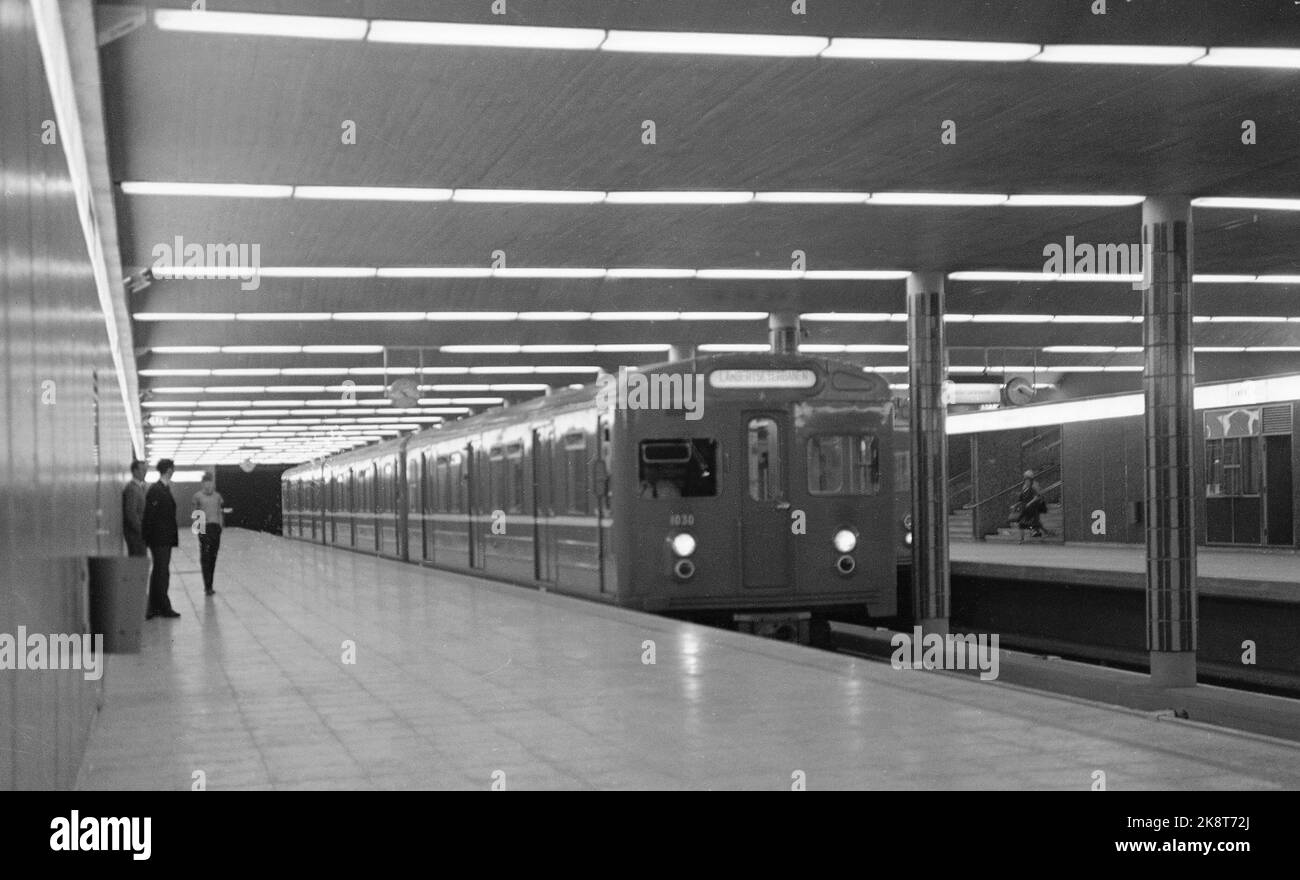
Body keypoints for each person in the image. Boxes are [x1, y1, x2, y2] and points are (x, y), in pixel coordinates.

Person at [141, 459, 180, 619]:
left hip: (163, 538)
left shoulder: (163, 488)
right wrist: (147, 538)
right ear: (169, 470)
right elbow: (149, 516)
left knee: (160, 572)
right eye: (173, 469)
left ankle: (154, 607)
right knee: (161, 572)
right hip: (159, 539)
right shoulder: (157, 490)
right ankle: (162, 607)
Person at [192, 472, 228, 595]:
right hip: (204, 526)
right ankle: (207, 586)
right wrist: (198, 530)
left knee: (213, 557)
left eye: (210, 482)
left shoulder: (217, 496)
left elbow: (220, 512)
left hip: (215, 527)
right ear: (203, 484)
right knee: (205, 557)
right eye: (206, 482)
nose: (208, 485)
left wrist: (220, 526)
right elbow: (195, 513)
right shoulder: (198, 496)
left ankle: (210, 585)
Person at [122, 460, 148, 557]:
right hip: (136, 535)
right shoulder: (132, 489)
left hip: (139, 534)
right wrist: (142, 531)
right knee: (139, 561)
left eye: (146, 470)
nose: (145, 472)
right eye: (142, 470)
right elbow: (131, 513)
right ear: (134, 471)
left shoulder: (139, 487)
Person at [1016, 469, 1046, 539]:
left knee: (1034, 519)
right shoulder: (1026, 485)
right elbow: (1023, 494)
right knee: (1034, 519)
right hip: (1029, 505)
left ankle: (1037, 531)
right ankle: (1039, 531)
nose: (1025, 478)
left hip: (1035, 504)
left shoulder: (1034, 484)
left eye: (1026, 476)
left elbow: (1038, 495)